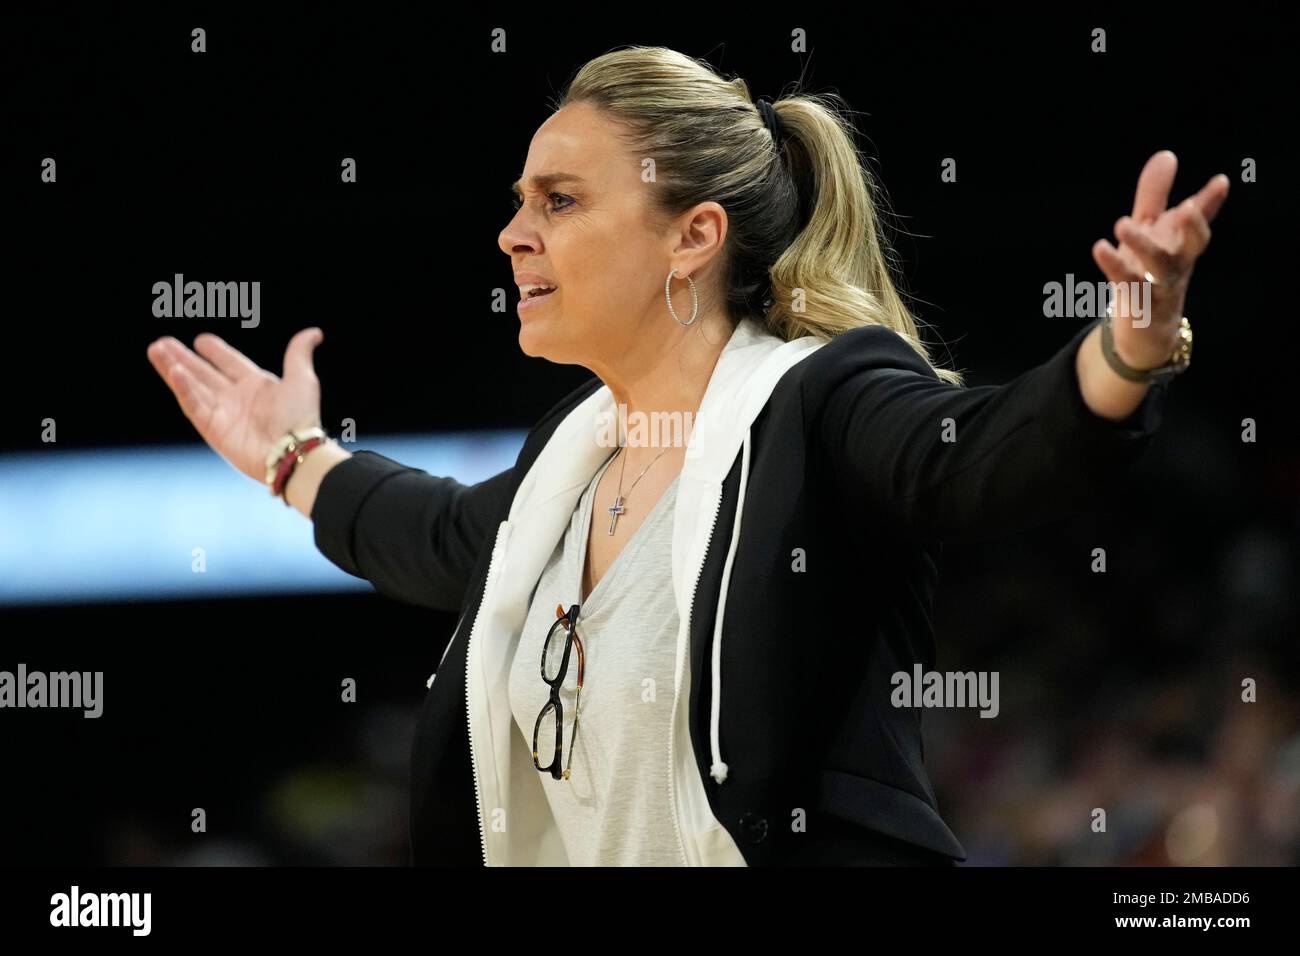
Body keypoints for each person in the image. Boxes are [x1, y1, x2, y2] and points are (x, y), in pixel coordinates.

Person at [145, 45, 1228, 866]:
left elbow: (980, 454)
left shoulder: (819, 399)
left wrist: (1125, 346)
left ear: (693, 236)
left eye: (558, 201)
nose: (512, 232)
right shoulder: (568, 463)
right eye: (519, 202)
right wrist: (291, 456)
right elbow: (432, 531)